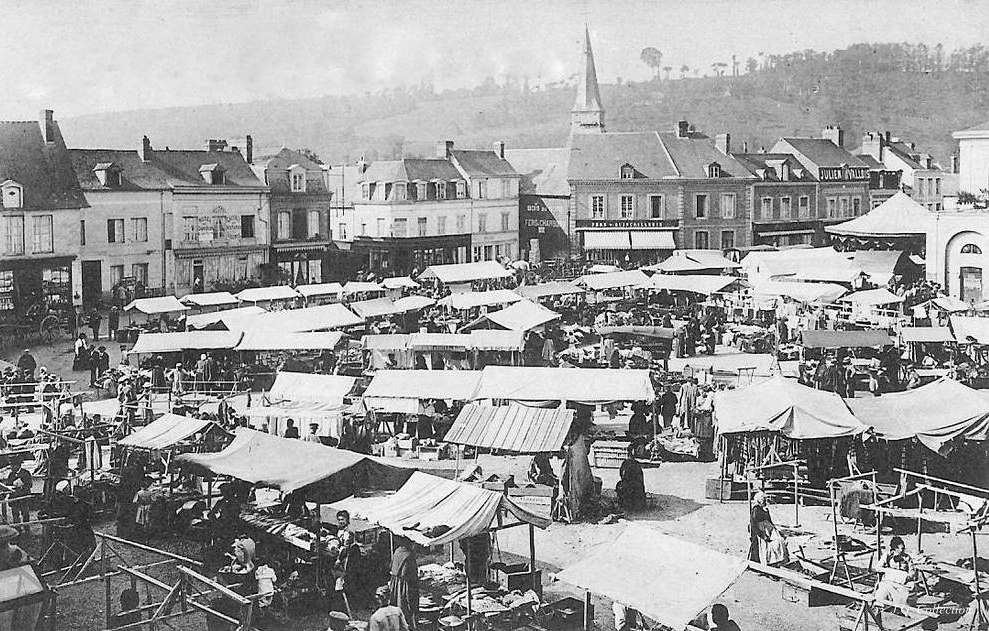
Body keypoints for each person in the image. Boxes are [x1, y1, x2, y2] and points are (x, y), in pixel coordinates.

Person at [874, 536, 914, 611]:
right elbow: (878, 567)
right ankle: (880, 607)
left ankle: (899, 609)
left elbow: (912, 572)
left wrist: (906, 576)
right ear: (895, 549)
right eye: (901, 549)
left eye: (904, 548)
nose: (903, 550)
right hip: (890, 580)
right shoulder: (888, 556)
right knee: (883, 590)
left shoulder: (907, 557)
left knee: (903, 594)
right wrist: (889, 571)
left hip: (903, 582)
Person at [748, 491, 788, 566]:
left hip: (768, 530)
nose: (765, 501)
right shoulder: (756, 509)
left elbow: (770, 522)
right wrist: (763, 535)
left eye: (765, 499)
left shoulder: (764, 509)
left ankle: (777, 561)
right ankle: (769, 562)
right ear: (759, 500)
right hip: (760, 532)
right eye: (763, 499)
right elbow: (754, 524)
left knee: (779, 541)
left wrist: (776, 531)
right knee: (769, 545)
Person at [389, 537, 419, 630]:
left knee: (397, 604)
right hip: (405, 584)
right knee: (406, 605)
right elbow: (409, 573)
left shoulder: (397, 551)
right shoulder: (409, 555)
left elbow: (392, 566)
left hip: (395, 582)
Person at [5, 456, 33, 530]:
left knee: (25, 514)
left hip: (23, 498)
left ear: (18, 465)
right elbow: (8, 485)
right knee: (15, 514)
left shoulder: (26, 473)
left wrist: (21, 486)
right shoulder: (11, 474)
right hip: (14, 499)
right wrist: (11, 486)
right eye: (11, 465)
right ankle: (17, 530)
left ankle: (27, 529)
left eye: (13, 465)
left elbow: (30, 485)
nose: (11, 467)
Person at [616, 445, 646, 512]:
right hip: (638, 490)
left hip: (630, 488)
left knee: (620, 486)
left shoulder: (626, 463)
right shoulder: (637, 464)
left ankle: (626, 504)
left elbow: (622, 475)